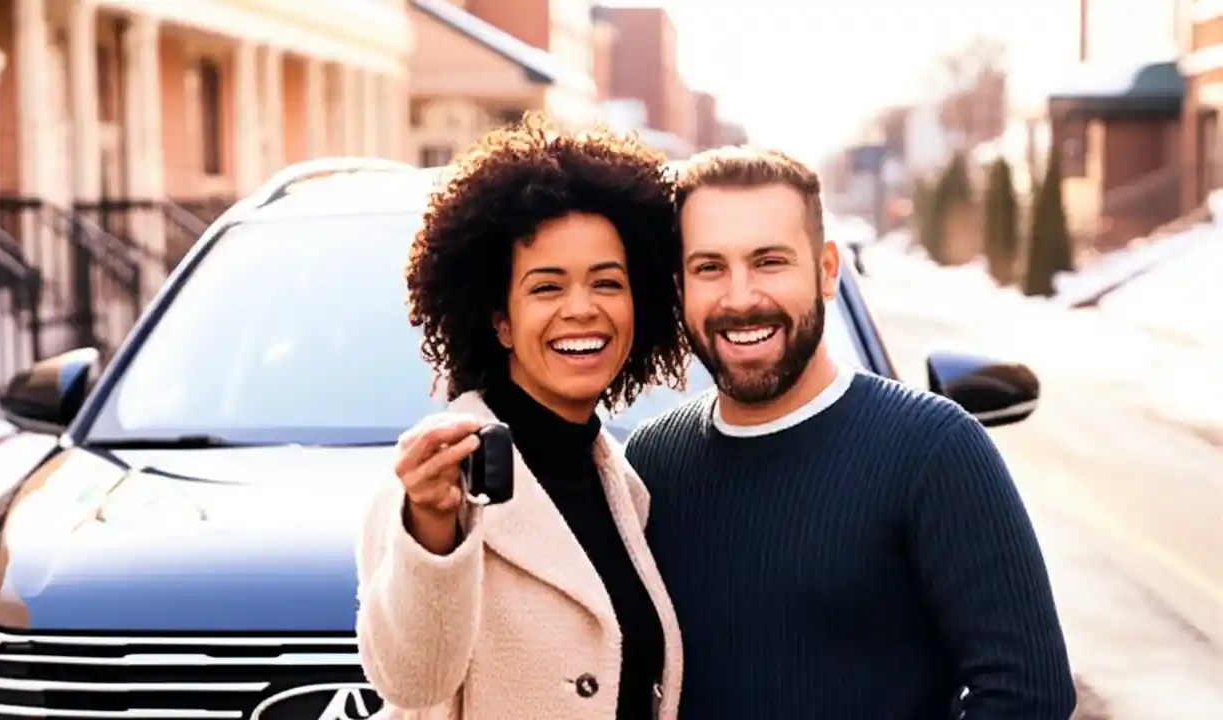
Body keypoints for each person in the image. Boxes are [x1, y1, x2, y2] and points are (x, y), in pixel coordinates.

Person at [623, 146, 1077, 719]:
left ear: (827, 270)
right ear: (679, 286)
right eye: (710, 267)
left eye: (769, 262)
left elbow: (1030, 694)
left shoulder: (933, 449)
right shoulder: (651, 461)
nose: (740, 298)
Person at [355, 115, 689, 720]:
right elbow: (412, 684)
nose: (582, 309)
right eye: (546, 288)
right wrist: (432, 528)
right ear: (501, 322)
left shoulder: (626, 486)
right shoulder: (436, 481)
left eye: (607, 283)